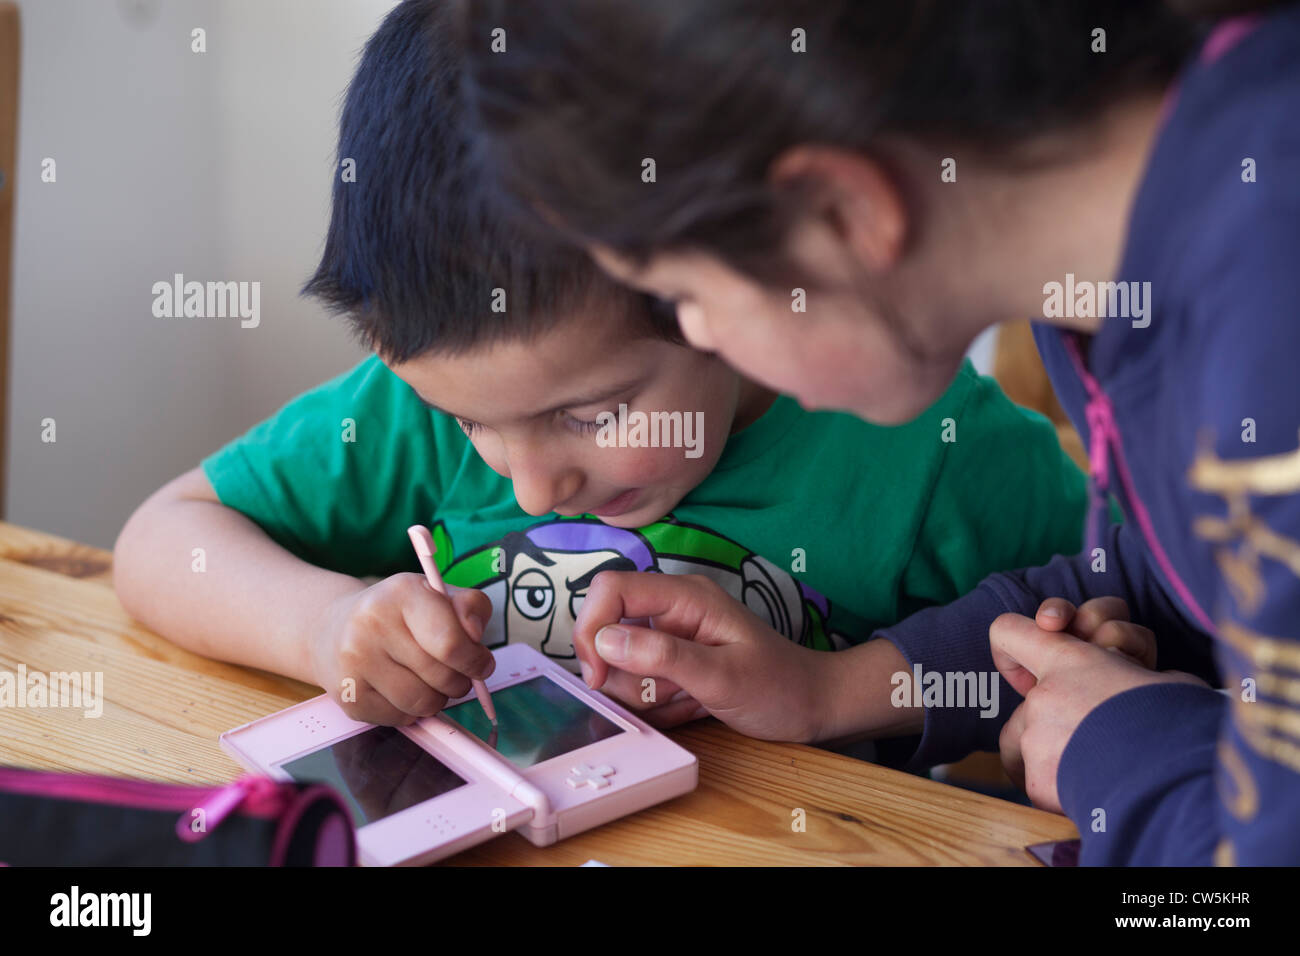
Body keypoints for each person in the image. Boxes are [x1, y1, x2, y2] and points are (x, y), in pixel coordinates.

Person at [463, 0, 1300, 863]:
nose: (700, 337)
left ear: (842, 213)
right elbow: (1174, 567)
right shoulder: (1116, 272)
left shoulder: (1270, 334)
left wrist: (1116, 747)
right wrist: (824, 691)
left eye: (684, 296)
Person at [112, 0, 1090, 734]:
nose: (531, 480)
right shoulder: (422, 402)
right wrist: (322, 625)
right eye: (473, 426)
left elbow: (1116, 618)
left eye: (594, 410)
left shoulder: (924, 443)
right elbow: (163, 539)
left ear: (705, 280)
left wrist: (839, 686)